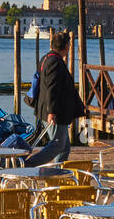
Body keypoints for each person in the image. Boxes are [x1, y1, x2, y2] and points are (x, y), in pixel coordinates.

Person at [36, 30, 85, 163]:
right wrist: (52, 112)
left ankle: (58, 171)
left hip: (51, 110)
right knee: (57, 145)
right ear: (66, 46)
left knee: (64, 147)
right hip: (54, 112)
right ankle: (29, 164)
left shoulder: (47, 58)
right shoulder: (55, 62)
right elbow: (52, 88)